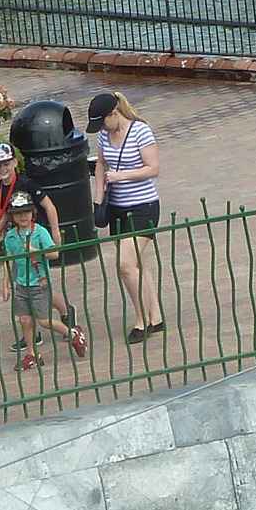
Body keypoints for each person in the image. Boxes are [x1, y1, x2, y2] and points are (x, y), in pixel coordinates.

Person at [89, 89, 163, 339]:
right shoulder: (103, 135)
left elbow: (153, 168)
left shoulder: (140, 131)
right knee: (139, 263)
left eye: (103, 122)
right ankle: (156, 315)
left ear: (114, 113)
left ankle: (141, 319)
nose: (102, 128)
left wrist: (123, 176)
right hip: (118, 207)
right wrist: (98, 201)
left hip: (143, 206)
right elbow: (100, 165)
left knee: (125, 265)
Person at [1, 188, 87, 371]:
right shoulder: (10, 237)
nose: (23, 217)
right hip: (22, 284)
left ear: (32, 213)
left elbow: (54, 253)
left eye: (26, 212)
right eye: (18, 214)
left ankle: (72, 334)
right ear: (13, 217)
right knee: (25, 320)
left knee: (44, 321)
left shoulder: (39, 232)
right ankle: (32, 354)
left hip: (39, 283)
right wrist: (6, 284)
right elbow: (9, 261)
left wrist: (36, 252)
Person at [0, 140, 58, 242]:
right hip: (18, 234)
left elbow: (49, 206)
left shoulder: (27, 183)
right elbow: (6, 211)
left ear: (15, 163)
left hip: (37, 232)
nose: (2, 169)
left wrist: (55, 232)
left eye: (6, 164)